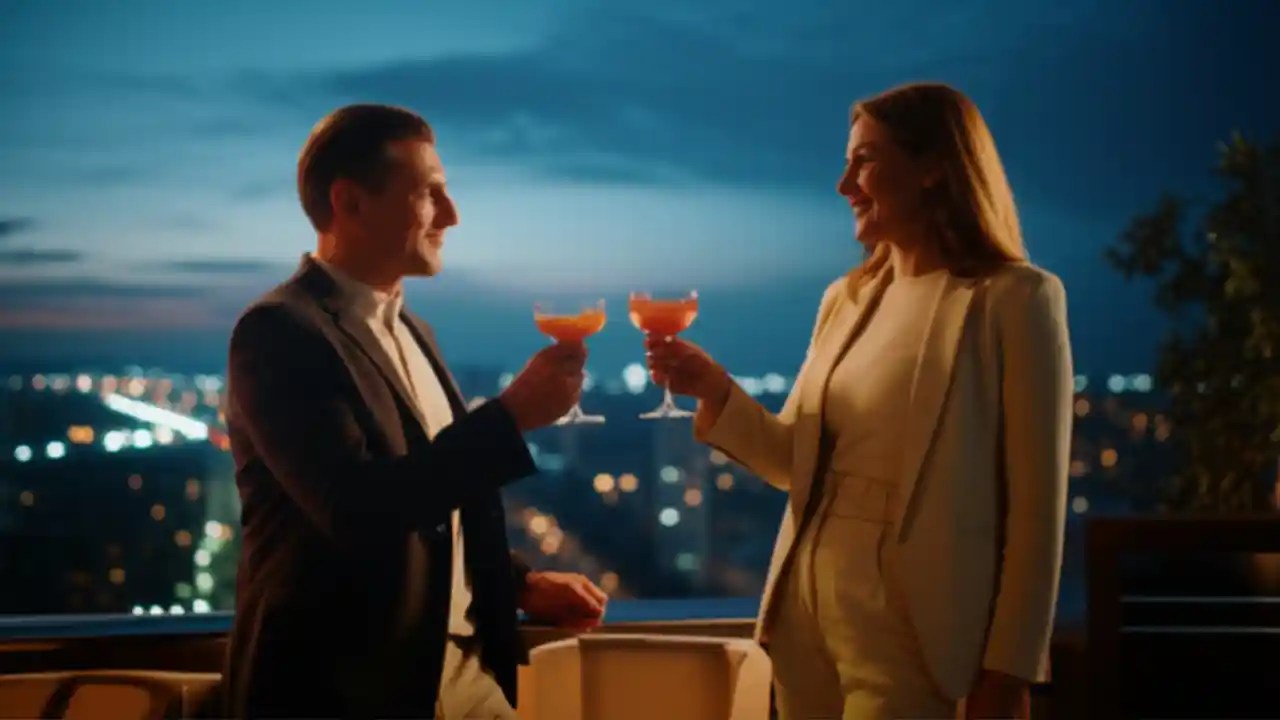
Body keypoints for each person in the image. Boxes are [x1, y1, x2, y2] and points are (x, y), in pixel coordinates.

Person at [647, 82, 1072, 719]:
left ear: (934, 168)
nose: (844, 184)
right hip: (807, 621)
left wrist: (1007, 674)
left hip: (916, 631)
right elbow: (796, 465)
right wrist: (715, 389)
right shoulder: (844, 301)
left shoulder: (1014, 300)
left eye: (865, 160)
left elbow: (1037, 519)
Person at [222, 103, 608, 719]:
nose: (452, 216)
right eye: (430, 194)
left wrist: (518, 584)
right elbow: (356, 507)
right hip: (347, 688)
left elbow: (433, 503)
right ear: (350, 203)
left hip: (464, 674)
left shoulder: (415, 330)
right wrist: (509, 417)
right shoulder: (277, 332)